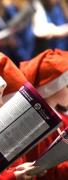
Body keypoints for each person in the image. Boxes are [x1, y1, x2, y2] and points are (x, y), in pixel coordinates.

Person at [20, 49, 68, 179]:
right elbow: (44, 170)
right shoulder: (41, 126)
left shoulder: (61, 115)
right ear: (50, 89)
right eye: (67, 86)